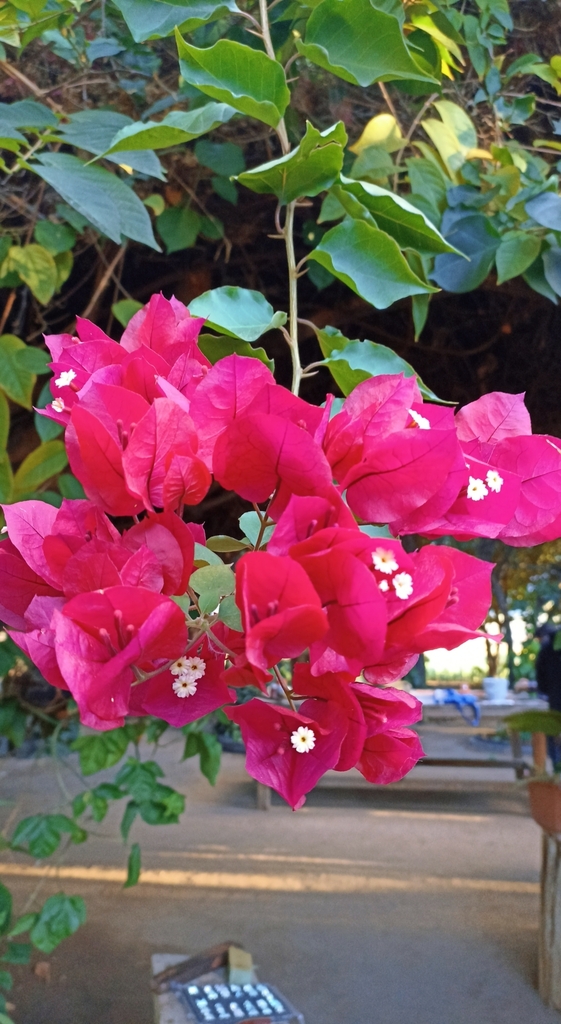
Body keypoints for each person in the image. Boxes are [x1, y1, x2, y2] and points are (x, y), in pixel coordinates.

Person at [535, 624, 561, 768]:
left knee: (554, 736)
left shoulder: (545, 651)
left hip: (555, 703)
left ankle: (557, 767)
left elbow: (542, 682)